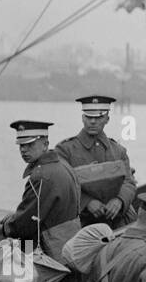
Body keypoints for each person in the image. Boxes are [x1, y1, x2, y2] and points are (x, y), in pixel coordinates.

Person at [0, 121, 81, 259]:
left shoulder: (41, 176)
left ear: (45, 145)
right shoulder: (62, 164)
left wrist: (4, 226)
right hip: (69, 245)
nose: (23, 150)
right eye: (21, 145)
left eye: (30, 144)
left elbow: (24, 225)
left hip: (48, 253)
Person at [55, 95, 137, 228]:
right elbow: (61, 185)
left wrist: (119, 200)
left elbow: (129, 181)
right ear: (83, 118)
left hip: (116, 222)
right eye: (88, 117)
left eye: (98, 117)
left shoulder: (118, 151)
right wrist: (86, 202)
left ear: (107, 119)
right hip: (80, 224)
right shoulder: (65, 150)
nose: (93, 121)